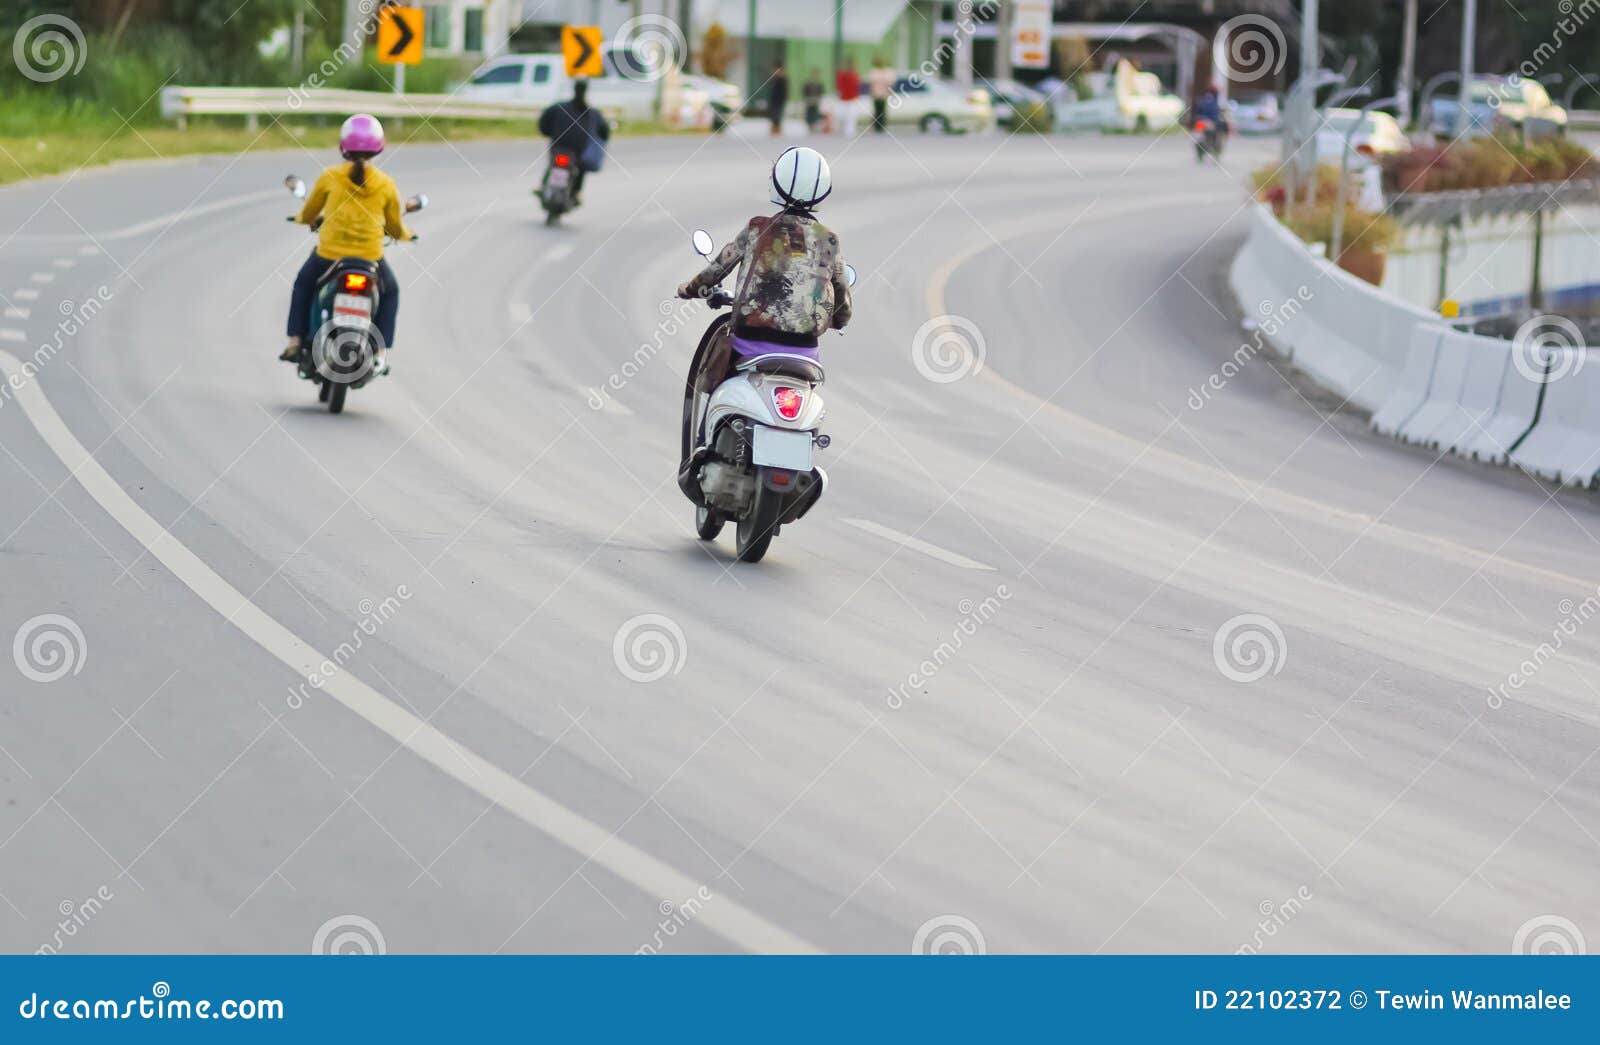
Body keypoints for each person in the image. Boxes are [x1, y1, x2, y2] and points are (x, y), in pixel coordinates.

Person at [676, 146, 852, 471]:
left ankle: (702, 449)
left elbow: (718, 269)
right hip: (804, 356)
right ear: (823, 192)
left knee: (713, 377)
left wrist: (690, 289)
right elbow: (841, 298)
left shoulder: (759, 228)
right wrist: (840, 318)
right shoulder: (829, 241)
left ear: (777, 182)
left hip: (749, 345)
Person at [282, 113, 412, 371]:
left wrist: (301, 218)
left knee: (303, 284)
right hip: (370, 258)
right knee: (391, 292)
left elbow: (309, 213)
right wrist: (405, 235)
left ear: (343, 147)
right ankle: (381, 351)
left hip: (329, 256)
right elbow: (395, 227)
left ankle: (296, 341)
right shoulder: (386, 185)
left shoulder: (330, 177)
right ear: (379, 147)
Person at [538, 79, 611, 205]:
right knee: (581, 168)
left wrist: (547, 132)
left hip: (559, 147)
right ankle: (576, 193)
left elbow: (544, 122)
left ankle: (543, 186)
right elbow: (604, 132)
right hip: (578, 151)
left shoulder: (559, 107)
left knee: (554, 164)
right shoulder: (593, 113)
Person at [835, 59, 861, 137]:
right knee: (842, 115)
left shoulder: (855, 75)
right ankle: (845, 129)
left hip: (852, 98)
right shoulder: (842, 75)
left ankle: (850, 130)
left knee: (852, 116)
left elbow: (857, 86)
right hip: (844, 98)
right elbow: (839, 85)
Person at [869, 57, 894, 133]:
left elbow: (872, 84)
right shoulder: (884, 72)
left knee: (879, 111)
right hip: (881, 94)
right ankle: (880, 126)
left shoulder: (875, 72)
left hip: (879, 94)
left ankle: (879, 126)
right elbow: (889, 84)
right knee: (880, 111)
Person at [767, 61, 789, 136]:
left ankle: (778, 130)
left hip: (780, 101)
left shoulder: (783, 79)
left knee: (778, 116)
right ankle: (773, 130)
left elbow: (785, 91)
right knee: (773, 116)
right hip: (773, 100)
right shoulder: (773, 79)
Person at [803, 69, 825, 133]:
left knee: (815, 113)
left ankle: (815, 125)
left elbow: (821, 92)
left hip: (816, 100)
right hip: (809, 100)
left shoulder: (819, 84)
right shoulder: (808, 83)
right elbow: (804, 91)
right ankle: (810, 125)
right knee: (809, 112)